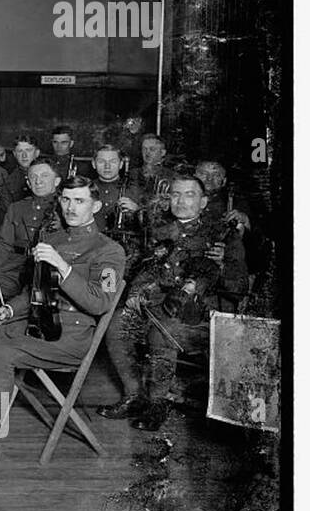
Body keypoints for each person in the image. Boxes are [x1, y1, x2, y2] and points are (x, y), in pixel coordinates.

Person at [0, 175, 126, 469]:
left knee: (3, 353)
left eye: (80, 201)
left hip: (69, 338)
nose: (71, 208)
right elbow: (35, 291)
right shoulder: (54, 239)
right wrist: (9, 310)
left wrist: (62, 266)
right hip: (35, 324)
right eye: (66, 200)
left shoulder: (108, 250)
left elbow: (99, 303)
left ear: (96, 205)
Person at [100, 175, 248, 430]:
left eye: (189, 194)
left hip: (198, 316)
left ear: (203, 202)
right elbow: (136, 267)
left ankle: (157, 404)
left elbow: (239, 286)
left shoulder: (222, 234)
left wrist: (222, 266)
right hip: (154, 306)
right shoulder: (156, 230)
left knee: (161, 332)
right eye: (175, 194)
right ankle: (134, 395)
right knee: (115, 327)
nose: (180, 200)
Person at [0, 159, 61, 301]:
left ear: (57, 181)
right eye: (33, 177)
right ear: (28, 183)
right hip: (15, 268)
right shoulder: (16, 208)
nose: (38, 181)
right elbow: (4, 245)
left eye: (44, 176)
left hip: (47, 271)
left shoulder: (64, 208)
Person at [2, 136, 42, 206]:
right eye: (20, 151)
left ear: (37, 153)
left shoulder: (48, 175)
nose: (24, 155)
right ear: (14, 154)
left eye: (28, 150)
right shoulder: (10, 181)